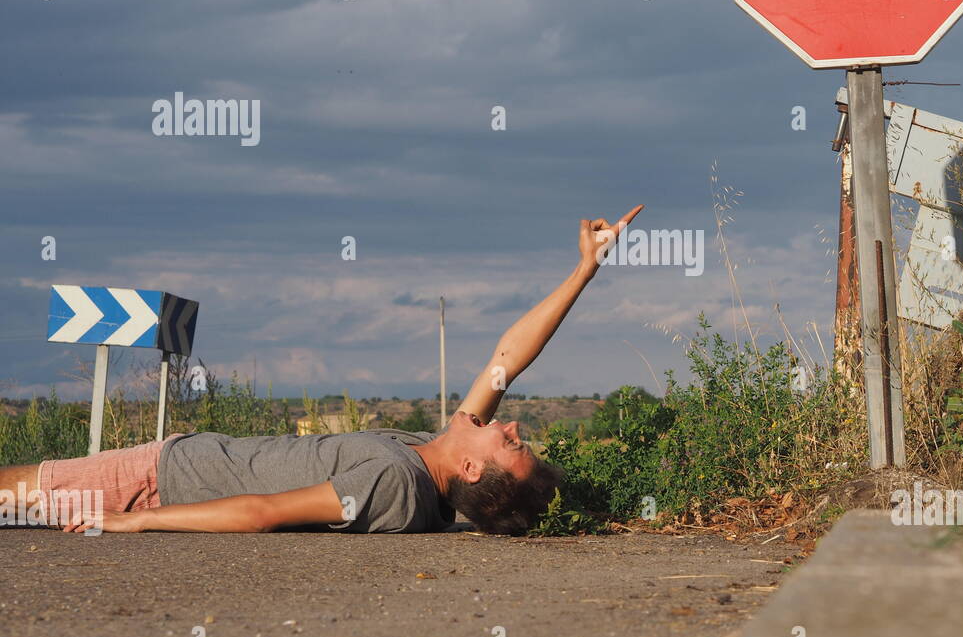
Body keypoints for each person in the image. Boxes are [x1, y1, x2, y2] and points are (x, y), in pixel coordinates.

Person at [0, 206, 643, 536]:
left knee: (15, 496)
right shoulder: (424, 463)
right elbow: (509, 356)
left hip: (159, 481)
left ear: (472, 469)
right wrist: (585, 270)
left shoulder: (397, 479)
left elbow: (262, 513)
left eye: (511, 444)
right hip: (171, 470)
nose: (512, 426)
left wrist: (135, 518)